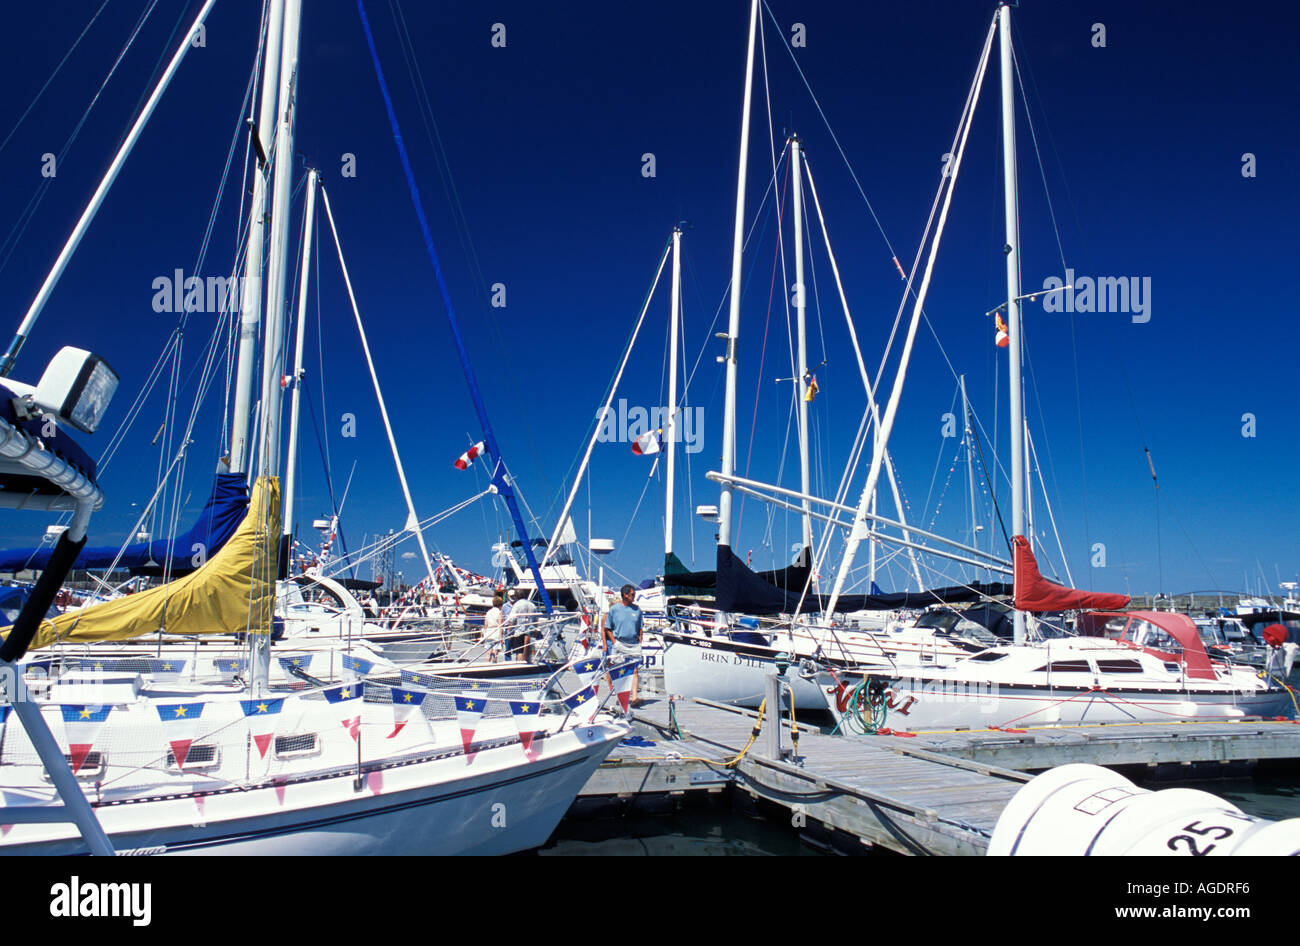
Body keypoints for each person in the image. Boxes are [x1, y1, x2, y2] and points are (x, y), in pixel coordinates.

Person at [604, 584, 644, 708]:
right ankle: (621, 696)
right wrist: (613, 642)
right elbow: (607, 627)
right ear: (625, 595)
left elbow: (641, 626)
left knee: (634, 670)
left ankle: (634, 697)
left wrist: (640, 638)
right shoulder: (614, 609)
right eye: (632, 594)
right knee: (619, 670)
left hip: (633, 643)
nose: (634, 596)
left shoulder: (637, 610)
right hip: (619, 642)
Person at [507, 589, 537, 662]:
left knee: (519, 651)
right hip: (530, 630)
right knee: (528, 650)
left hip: (519, 631)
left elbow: (512, 620)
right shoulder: (532, 605)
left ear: (516, 596)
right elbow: (536, 620)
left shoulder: (517, 605)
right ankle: (527, 664)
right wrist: (535, 629)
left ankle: (520, 665)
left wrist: (509, 631)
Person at [484, 595, 504, 661]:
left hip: (489, 632)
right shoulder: (499, 613)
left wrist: (485, 633)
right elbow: (500, 625)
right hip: (496, 632)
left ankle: (486, 665)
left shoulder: (488, 612)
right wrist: (502, 637)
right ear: (500, 604)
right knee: (495, 651)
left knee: (488, 651)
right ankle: (494, 663)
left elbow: (485, 624)